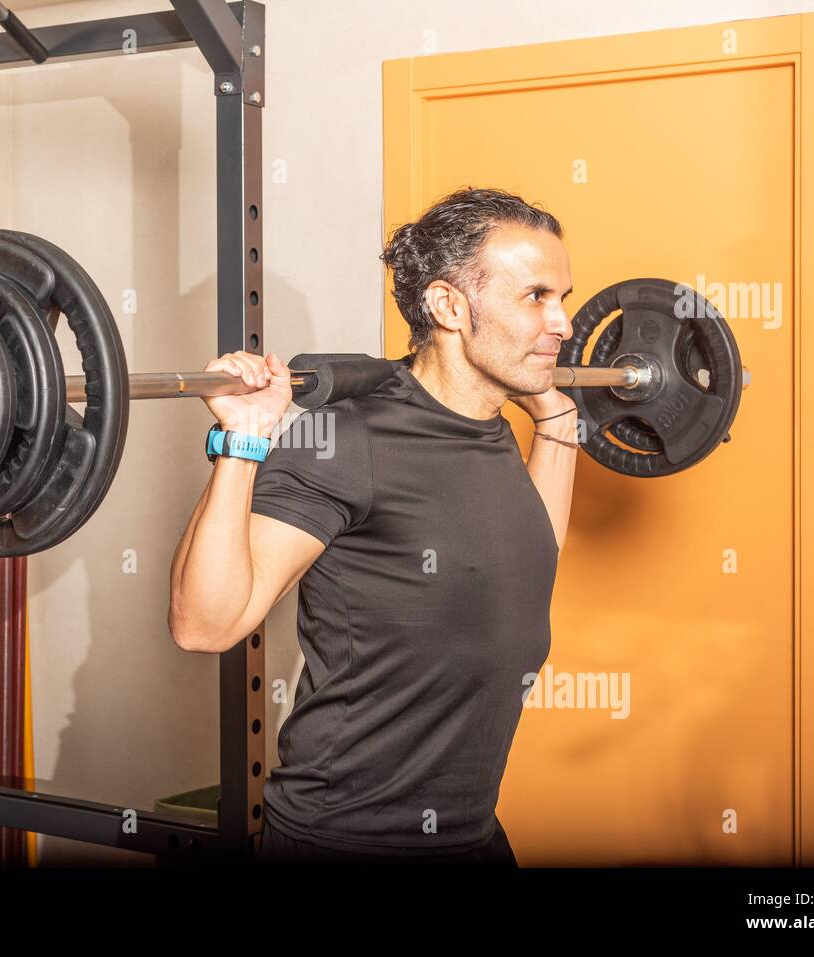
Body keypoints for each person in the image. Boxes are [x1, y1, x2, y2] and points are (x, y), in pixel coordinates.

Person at [167, 187, 579, 867]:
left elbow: (527, 557)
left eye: (562, 296)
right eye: (536, 296)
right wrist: (245, 439)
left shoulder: (497, 429)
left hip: (472, 836)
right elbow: (206, 625)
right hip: (346, 839)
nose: (562, 322)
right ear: (450, 306)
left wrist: (558, 424)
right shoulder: (344, 441)